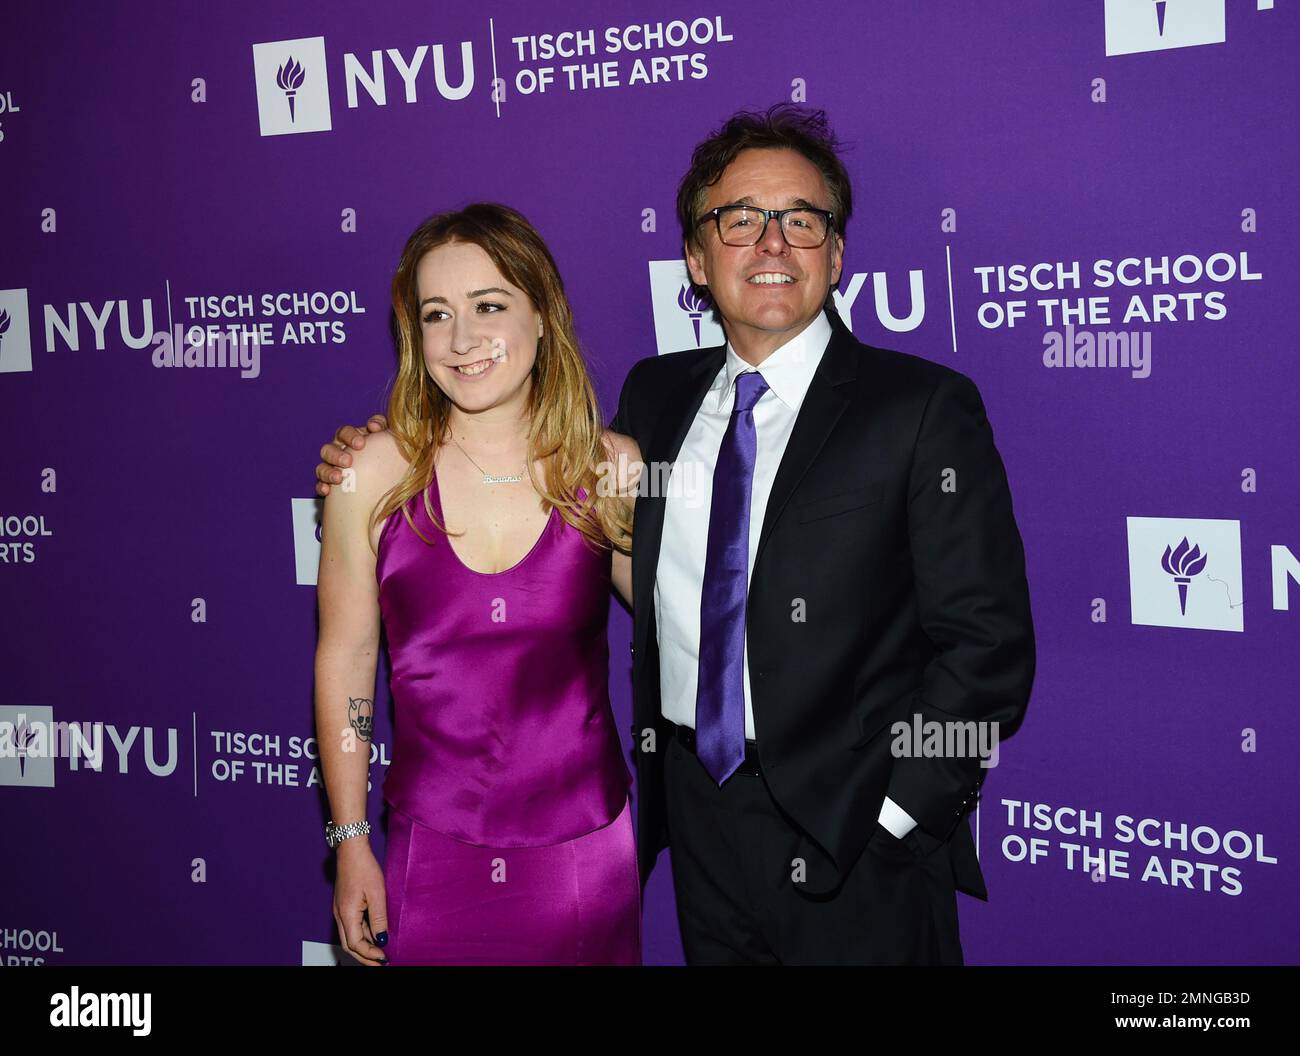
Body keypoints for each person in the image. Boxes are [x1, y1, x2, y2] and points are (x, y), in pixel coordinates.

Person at [318, 104, 1036, 965]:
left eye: (801, 221)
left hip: (858, 843)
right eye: (739, 220)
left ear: (837, 254)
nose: (772, 242)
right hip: (695, 830)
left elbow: (987, 650)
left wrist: (895, 816)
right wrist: (366, 458)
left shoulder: (920, 410)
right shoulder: (652, 406)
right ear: (696, 259)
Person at [313, 202, 642, 966]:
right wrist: (349, 841)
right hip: (431, 858)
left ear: (541, 314)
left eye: (489, 306)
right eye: (436, 315)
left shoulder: (610, 470)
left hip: (585, 859)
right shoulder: (370, 476)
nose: (461, 340)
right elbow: (346, 664)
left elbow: (691, 624)